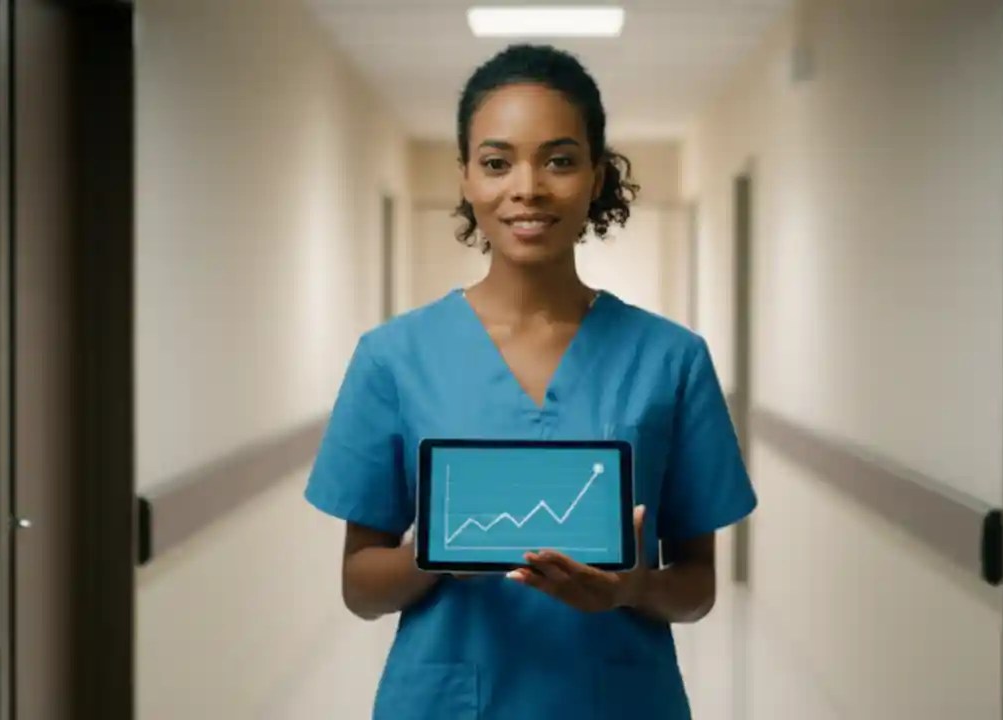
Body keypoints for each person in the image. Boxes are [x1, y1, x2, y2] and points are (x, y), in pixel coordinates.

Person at [304, 43, 757, 720]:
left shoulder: (671, 359)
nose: (527, 187)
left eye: (560, 160)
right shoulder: (393, 358)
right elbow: (361, 587)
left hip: (618, 700)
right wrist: (433, 554)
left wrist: (632, 589)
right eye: (496, 162)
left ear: (597, 175)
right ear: (465, 177)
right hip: (447, 702)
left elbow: (697, 587)